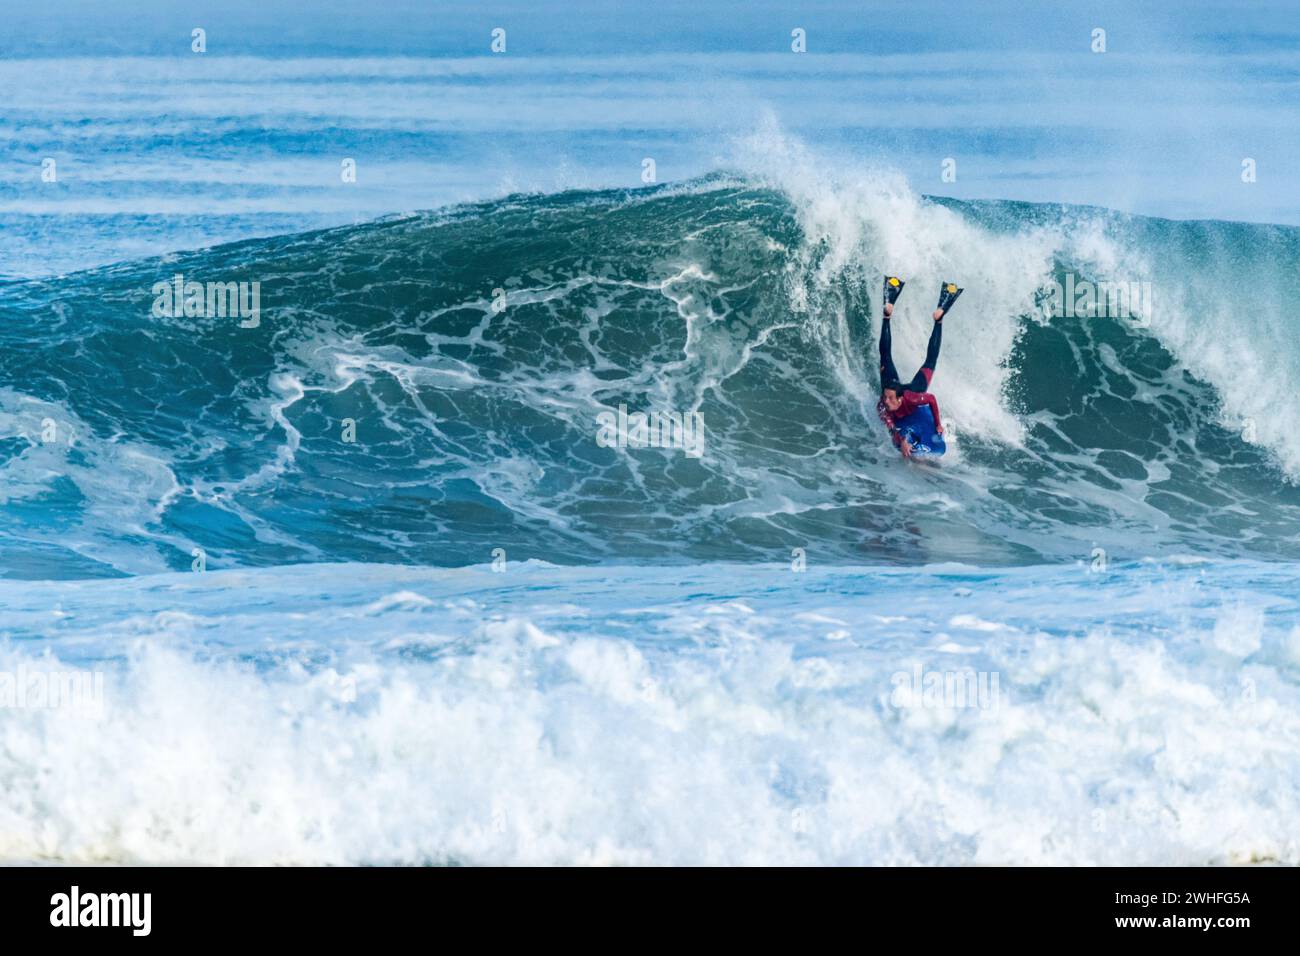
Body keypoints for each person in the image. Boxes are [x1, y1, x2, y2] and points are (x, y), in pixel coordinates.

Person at [876, 280, 960, 459]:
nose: (886, 400)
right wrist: (902, 441)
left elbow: (930, 399)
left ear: (900, 399)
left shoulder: (912, 398)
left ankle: (938, 320)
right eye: (885, 397)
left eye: (890, 398)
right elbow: (892, 429)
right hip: (893, 384)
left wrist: (938, 424)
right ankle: (887, 315)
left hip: (915, 388)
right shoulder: (884, 406)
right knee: (885, 357)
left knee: (931, 360)